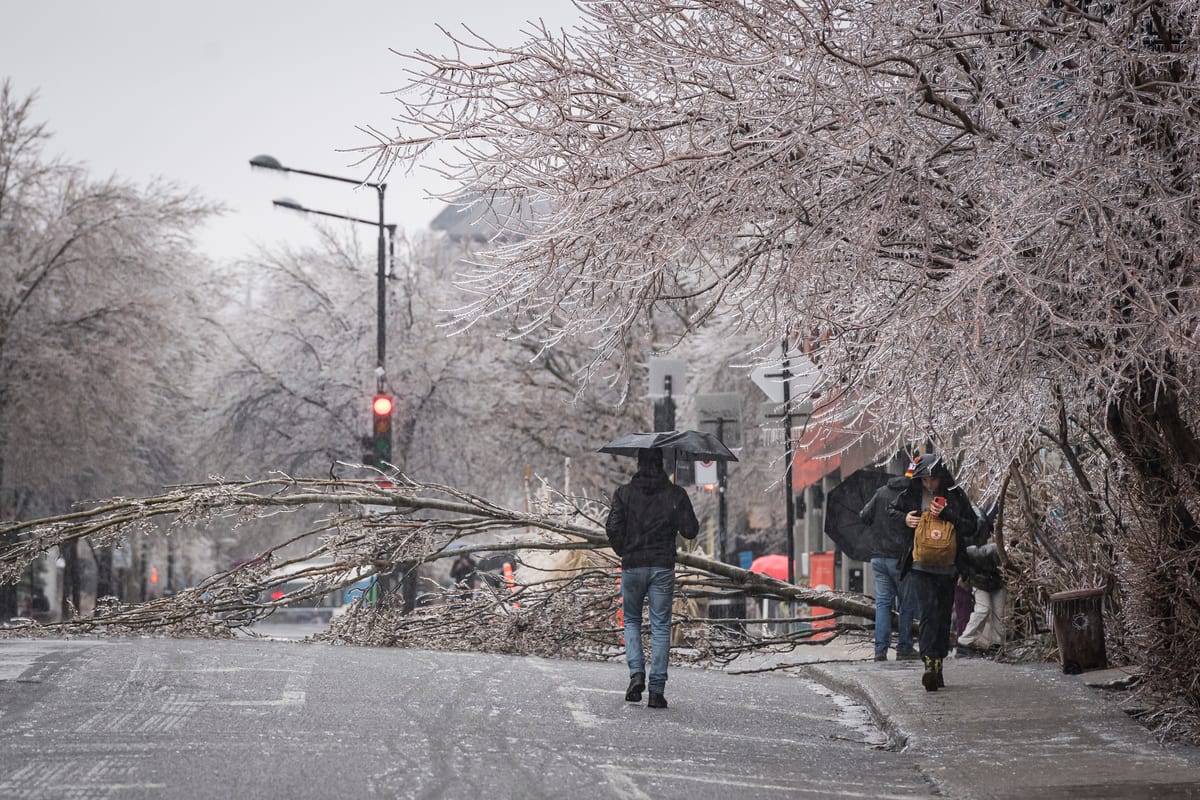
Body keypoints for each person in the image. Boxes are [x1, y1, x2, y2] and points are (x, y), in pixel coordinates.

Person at [605, 448, 699, 709]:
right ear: (662, 464)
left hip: (633, 566)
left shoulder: (624, 493)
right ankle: (656, 690)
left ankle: (637, 674)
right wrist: (677, 505)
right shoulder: (675, 494)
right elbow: (690, 530)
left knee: (632, 621)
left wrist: (625, 550)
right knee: (660, 626)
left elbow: (612, 527)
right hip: (662, 567)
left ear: (638, 463)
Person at [889, 453, 977, 692]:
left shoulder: (955, 495)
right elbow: (890, 512)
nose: (928, 484)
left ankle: (938, 662)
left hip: (948, 568)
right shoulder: (911, 494)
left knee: (942, 615)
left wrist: (948, 514)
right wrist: (904, 518)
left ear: (941, 478)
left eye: (933, 479)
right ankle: (929, 662)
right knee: (928, 612)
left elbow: (971, 526)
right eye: (924, 480)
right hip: (920, 566)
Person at [859, 470, 921, 662]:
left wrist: (879, 525)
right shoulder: (912, 496)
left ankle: (880, 650)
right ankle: (904, 647)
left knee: (883, 603)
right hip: (901, 558)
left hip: (878, 558)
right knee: (906, 604)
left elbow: (864, 515)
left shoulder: (881, 492)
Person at [957, 503, 1006, 657]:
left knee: (997, 613)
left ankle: (995, 644)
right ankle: (965, 641)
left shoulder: (975, 539)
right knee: (985, 609)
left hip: (990, 576)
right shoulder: (981, 542)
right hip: (983, 576)